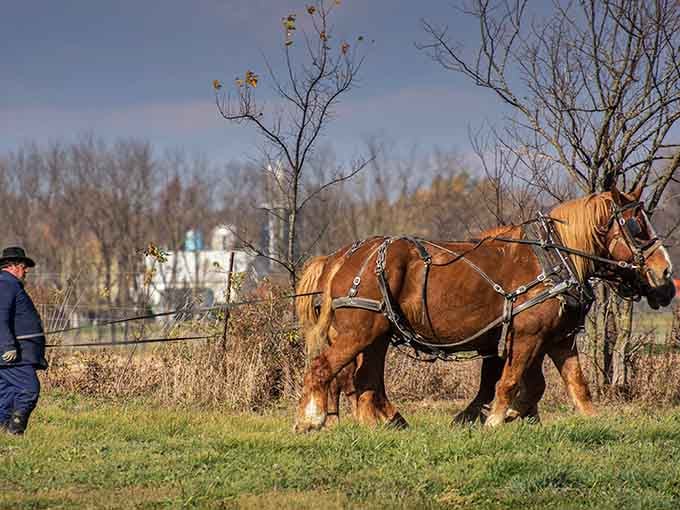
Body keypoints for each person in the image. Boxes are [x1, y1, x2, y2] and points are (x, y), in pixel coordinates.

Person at [0, 246, 47, 435]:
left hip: (16, 352)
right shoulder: (5, 284)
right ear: (13, 266)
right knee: (28, 389)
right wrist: (8, 346)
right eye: (23, 266)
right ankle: (15, 431)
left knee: (7, 395)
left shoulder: (8, 284)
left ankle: (4, 434)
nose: (26, 270)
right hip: (13, 354)